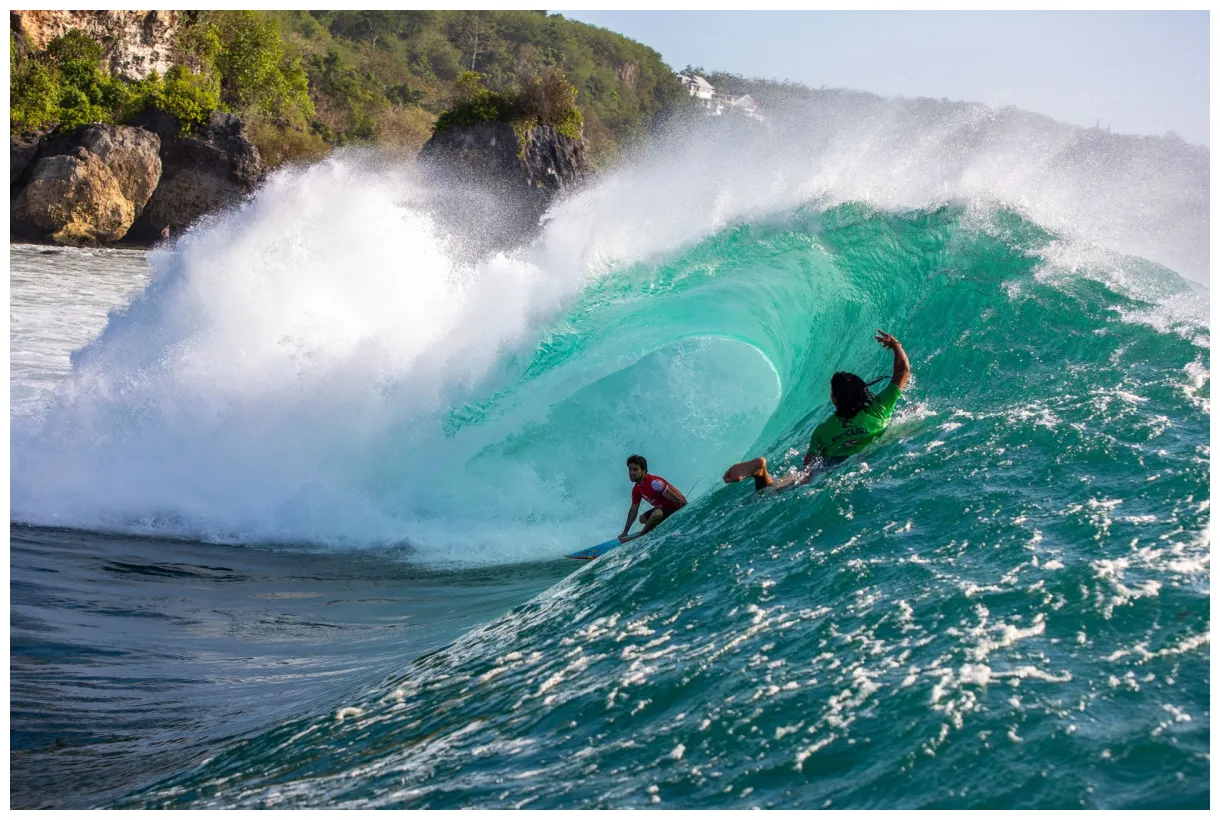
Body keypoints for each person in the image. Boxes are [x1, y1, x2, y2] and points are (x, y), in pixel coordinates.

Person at [723, 330, 911, 491]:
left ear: (834, 399)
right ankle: (760, 471)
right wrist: (896, 345)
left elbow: (808, 468)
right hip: (866, 455)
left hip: (833, 465)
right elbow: (903, 371)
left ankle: (760, 471)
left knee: (777, 490)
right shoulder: (878, 408)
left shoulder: (822, 430)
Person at [619, 454, 687, 542]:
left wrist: (686, 511)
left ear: (644, 470)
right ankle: (657, 526)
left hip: (675, 509)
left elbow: (677, 500)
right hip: (664, 508)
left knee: (656, 513)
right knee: (642, 519)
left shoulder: (655, 483)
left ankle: (640, 535)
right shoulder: (636, 489)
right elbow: (633, 510)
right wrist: (625, 532)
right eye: (630, 470)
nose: (631, 473)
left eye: (635, 469)